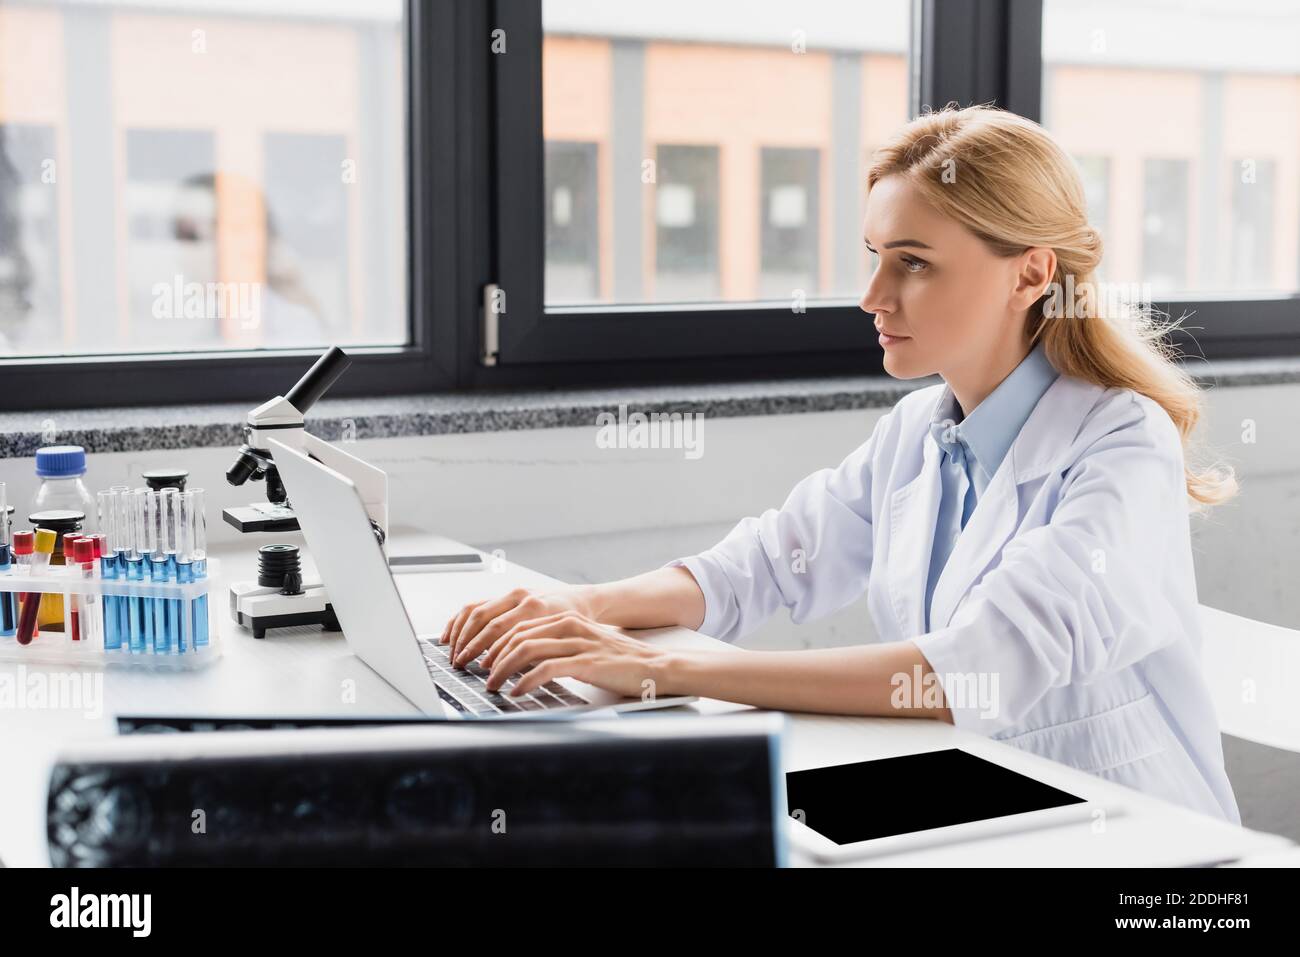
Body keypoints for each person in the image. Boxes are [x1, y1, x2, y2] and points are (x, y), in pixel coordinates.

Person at [440, 104, 1241, 824]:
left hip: (1129, 843)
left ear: (1030, 273)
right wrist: (579, 606)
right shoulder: (919, 432)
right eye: (874, 255)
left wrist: (663, 668)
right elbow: (760, 567)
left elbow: (971, 671)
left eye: (914, 262)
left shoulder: (1122, 442)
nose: (872, 294)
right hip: (973, 806)